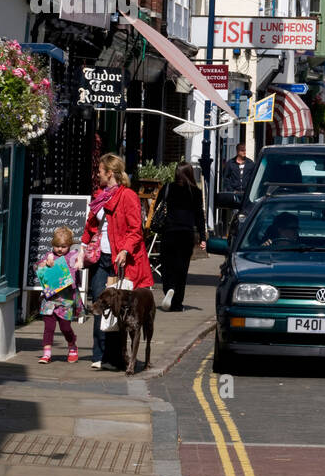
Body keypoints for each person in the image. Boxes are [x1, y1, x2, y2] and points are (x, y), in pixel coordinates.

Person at [81, 153, 154, 370]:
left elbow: (136, 230)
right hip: (101, 259)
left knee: (118, 308)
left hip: (121, 260)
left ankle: (116, 358)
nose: (97, 174)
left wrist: (124, 249)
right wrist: (82, 249)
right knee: (99, 302)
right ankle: (99, 355)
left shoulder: (128, 196)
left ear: (109, 173)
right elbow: (91, 226)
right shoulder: (100, 196)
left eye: (100, 171)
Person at [155, 162, 206, 312]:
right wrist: (203, 238)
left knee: (167, 265)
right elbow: (199, 217)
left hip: (169, 232)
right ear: (190, 173)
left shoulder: (167, 188)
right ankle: (177, 303)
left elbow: (158, 206)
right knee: (182, 269)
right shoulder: (195, 192)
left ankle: (169, 288)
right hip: (186, 234)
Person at [35, 226, 83, 364]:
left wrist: (79, 261)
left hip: (66, 299)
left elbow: (80, 264)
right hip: (49, 298)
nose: (60, 249)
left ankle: (72, 344)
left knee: (65, 327)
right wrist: (44, 264)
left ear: (69, 245)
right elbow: (38, 267)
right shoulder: (48, 255)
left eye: (63, 246)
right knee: (48, 327)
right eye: (56, 246)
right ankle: (47, 353)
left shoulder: (73, 255)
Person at [220, 144, 255, 235]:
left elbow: (253, 178)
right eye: (242, 150)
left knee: (246, 214)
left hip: (246, 194)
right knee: (234, 215)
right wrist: (231, 190)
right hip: (234, 193)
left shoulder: (250, 164)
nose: (244, 152)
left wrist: (250, 190)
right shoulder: (230, 164)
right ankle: (232, 233)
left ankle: (244, 233)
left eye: (245, 150)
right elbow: (226, 178)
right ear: (238, 151)